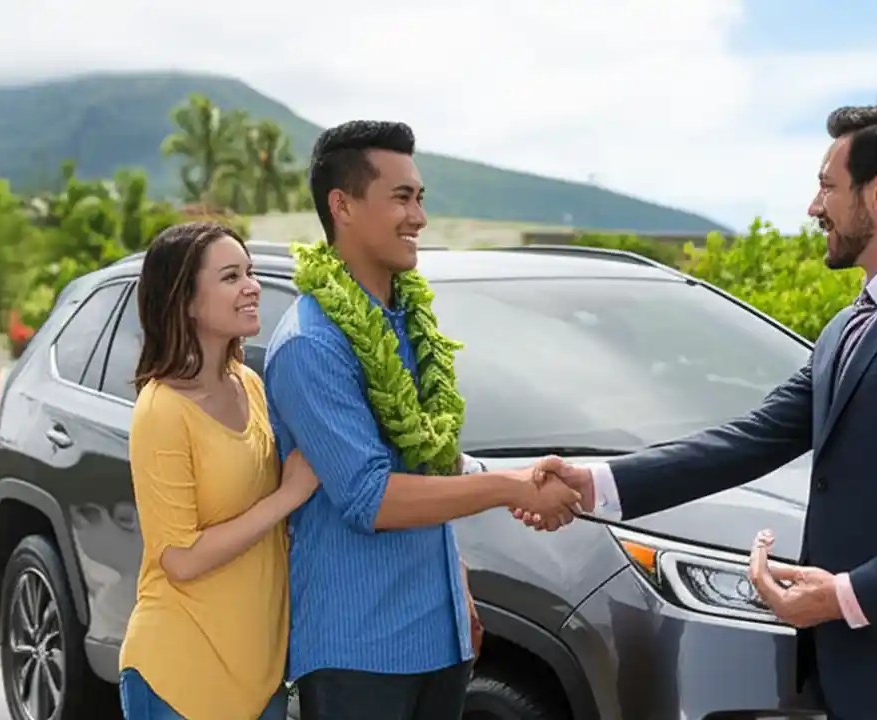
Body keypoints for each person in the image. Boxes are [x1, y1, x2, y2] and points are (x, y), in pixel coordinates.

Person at [525, 104, 877, 720]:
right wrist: (597, 483)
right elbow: (754, 438)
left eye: (826, 186)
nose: (815, 208)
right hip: (853, 677)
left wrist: (847, 594)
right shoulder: (849, 325)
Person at [262, 119, 581, 720]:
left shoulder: (412, 324)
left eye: (421, 198)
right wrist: (509, 487)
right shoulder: (311, 344)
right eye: (402, 198)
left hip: (440, 638)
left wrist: (455, 581)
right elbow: (371, 498)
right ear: (343, 206)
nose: (420, 217)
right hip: (360, 651)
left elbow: (432, 465)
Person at [119, 221, 321, 720]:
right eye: (231, 276)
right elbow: (180, 558)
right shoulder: (161, 410)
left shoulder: (248, 383)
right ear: (185, 300)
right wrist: (287, 497)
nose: (252, 286)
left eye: (249, 272)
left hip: (260, 675)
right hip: (181, 677)